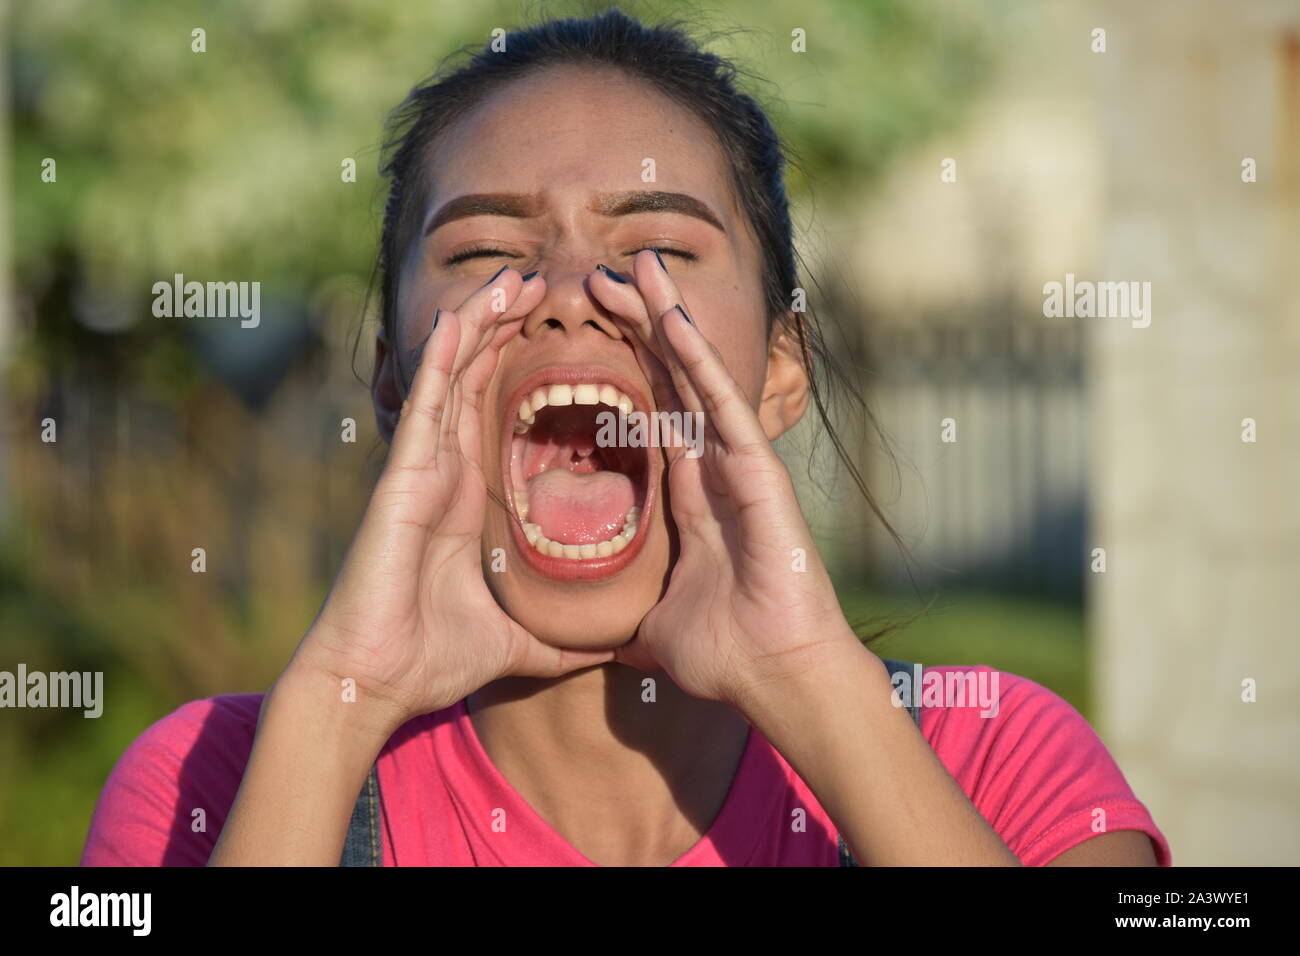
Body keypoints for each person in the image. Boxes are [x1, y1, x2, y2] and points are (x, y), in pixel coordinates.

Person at [81, 10, 1170, 867]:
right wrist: (338, 710)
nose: (566, 295)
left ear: (779, 367)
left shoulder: (998, 761)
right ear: (391, 374)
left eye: (653, 246)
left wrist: (813, 684)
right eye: (481, 251)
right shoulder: (216, 783)